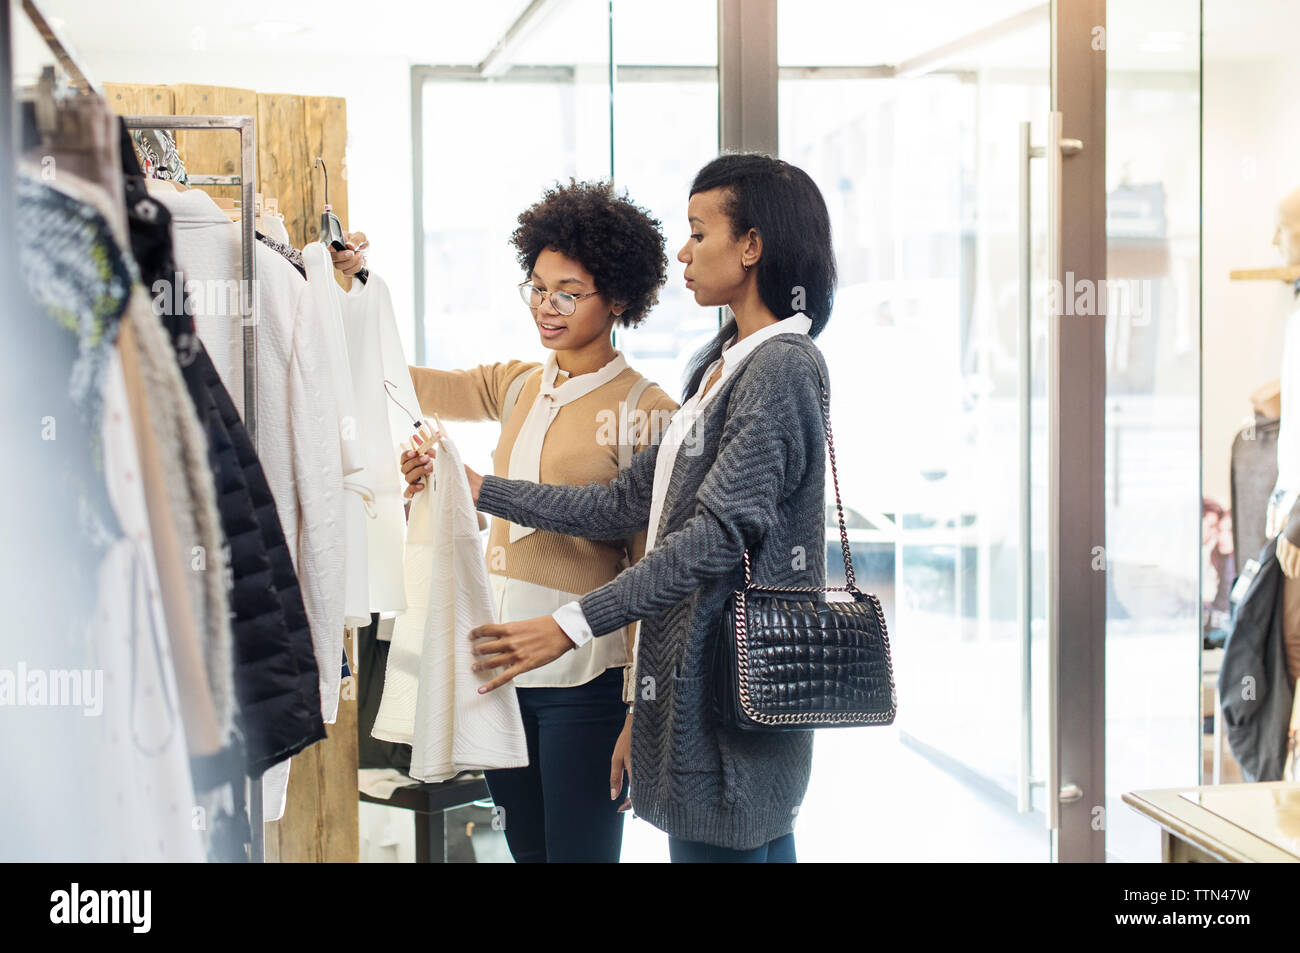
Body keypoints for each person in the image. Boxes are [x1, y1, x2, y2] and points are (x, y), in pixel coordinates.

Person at [410, 153, 838, 863]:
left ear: (753, 246)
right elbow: (621, 504)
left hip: (733, 697)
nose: (685, 250)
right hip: (699, 692)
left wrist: (570, 623)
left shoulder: (782, 366)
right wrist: (479, 489)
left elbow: (713, 537)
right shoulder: (722, 365)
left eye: (700, 231)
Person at [400, 180, 678, 862]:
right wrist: (356, 293)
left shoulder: (648, 408)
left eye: (567, 291)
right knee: (525, 851)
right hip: (501, 671)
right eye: (536, 286)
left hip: (586, 679)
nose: (545, 307)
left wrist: (638, 713)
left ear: (617, 298)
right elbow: (410, 383)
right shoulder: (521, 382)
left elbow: (649, 569)